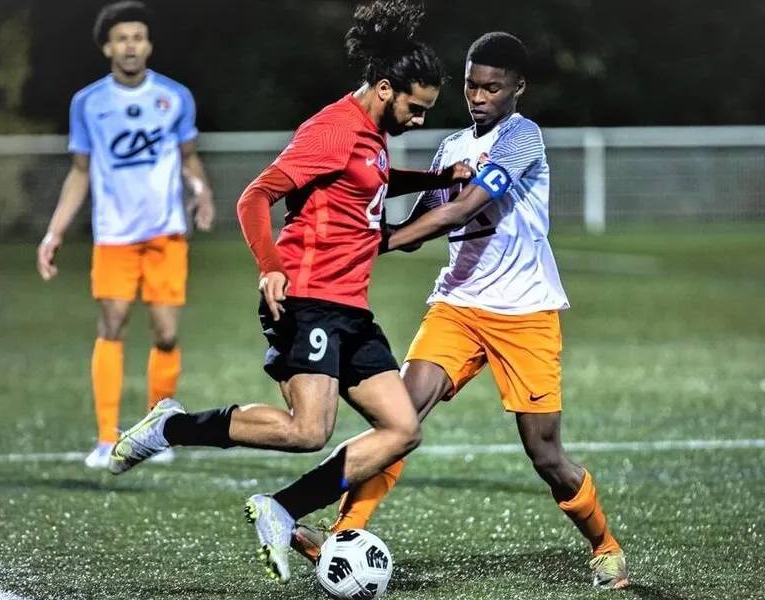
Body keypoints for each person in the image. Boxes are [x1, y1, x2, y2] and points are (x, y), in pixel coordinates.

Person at [108, 0, 471, 583]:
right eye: (416, 108)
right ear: (384, 88)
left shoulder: (374, 135)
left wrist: (434, 179)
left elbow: (372, 181)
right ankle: (170, 426)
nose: (421, 121)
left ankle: (283, 507)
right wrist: (269, 265)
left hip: (351, 306)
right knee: (309, 430)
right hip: (305, 296)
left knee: (403, 430)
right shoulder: (332, 130)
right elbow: (255, 196)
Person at [290, 32, 630, 589]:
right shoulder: (451, 147)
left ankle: (605, 545)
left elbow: (464, 209)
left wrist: (383, 241)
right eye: (472, 84)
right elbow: (427, 212)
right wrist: (359, 222)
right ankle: (344, 532)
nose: (478, 96)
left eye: (492, 88)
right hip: (457, 305)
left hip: (526, 313)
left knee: (545, 454)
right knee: (399, 420)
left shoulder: (525, 139)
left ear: (517, 88)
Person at [36, 0, 215, 470]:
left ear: (148, 44)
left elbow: (189, 158)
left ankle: (154, 434)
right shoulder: (88, 103)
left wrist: (201, 192)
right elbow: (80, 173)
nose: (131, 45)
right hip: (114, 235)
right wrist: (54, 233)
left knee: (167, 335)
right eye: (122, 38)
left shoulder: (175, 97)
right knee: (111, 327)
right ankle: (104, 438)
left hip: (165, 234)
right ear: (107, 48)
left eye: (138, 37)